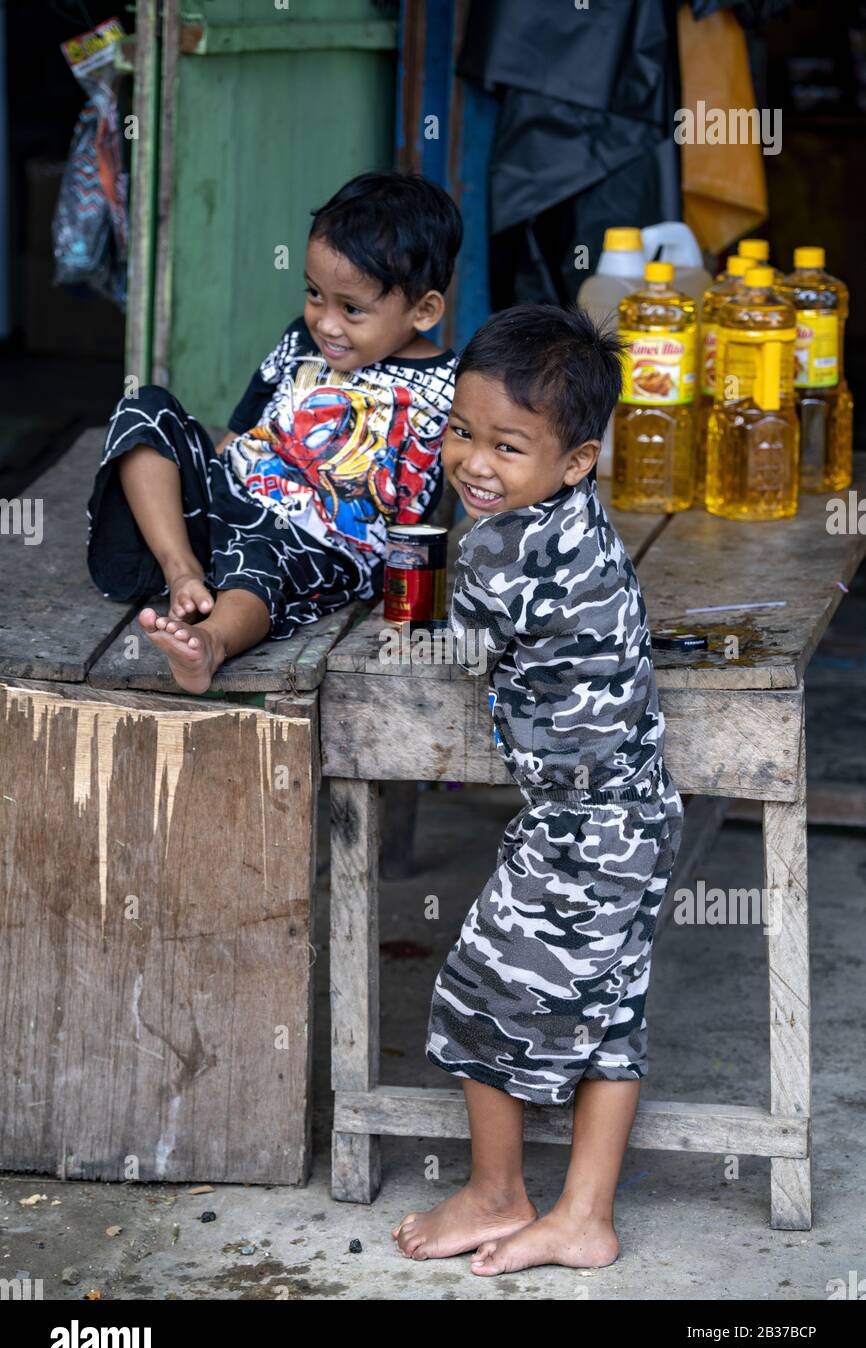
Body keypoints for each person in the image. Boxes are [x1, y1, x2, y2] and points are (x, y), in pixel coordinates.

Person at [393, 304, 684, 1275]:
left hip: (580, 831)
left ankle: (496, 1191)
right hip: (634, 815)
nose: (473, 462)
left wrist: (413, 617)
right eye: (460, 432)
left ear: (574, 460)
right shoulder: (567, 519)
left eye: (505, 446)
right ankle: (583, 1216)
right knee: (608, 1012)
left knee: (476, 995)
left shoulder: (494, 550)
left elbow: (460, 651)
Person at [85, 171, 463, 692]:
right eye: (314, 294)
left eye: (351, 308)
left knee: (263, 552)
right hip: (229, 503)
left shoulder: (447, 390)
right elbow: (237, 435)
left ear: (424, 309)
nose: (325, 322)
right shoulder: (299, 340)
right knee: (144, 409)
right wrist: (204, 486)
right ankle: (181, 571)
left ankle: (211, 642)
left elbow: (424, 500)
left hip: (318, 542)